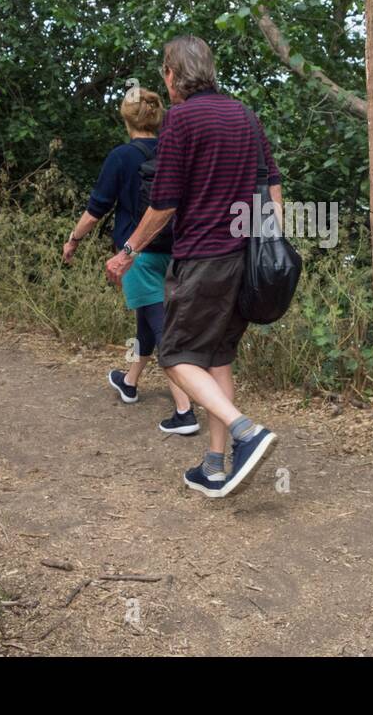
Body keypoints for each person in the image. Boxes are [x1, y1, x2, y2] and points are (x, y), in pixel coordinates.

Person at [106, 36, 282, 498]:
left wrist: (127, 250)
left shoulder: (181, 119)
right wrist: (271, 236)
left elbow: (163, 203)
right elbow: (274, 180)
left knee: (176, 356)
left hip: (205, 257)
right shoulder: (244, 114)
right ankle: (214, 465)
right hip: (245, 259)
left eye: (164, 72)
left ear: (170, 74)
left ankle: (246, 431)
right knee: (216, 357)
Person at [63, 86, 197, 435]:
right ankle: (130, 381)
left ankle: (184, 410)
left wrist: (73, 240)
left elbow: (96, 210)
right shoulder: (174, 151)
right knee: (149, 317)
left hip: (136, 253)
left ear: (125, 118)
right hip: (176, 249)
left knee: (161, 327)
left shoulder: (121, 156)